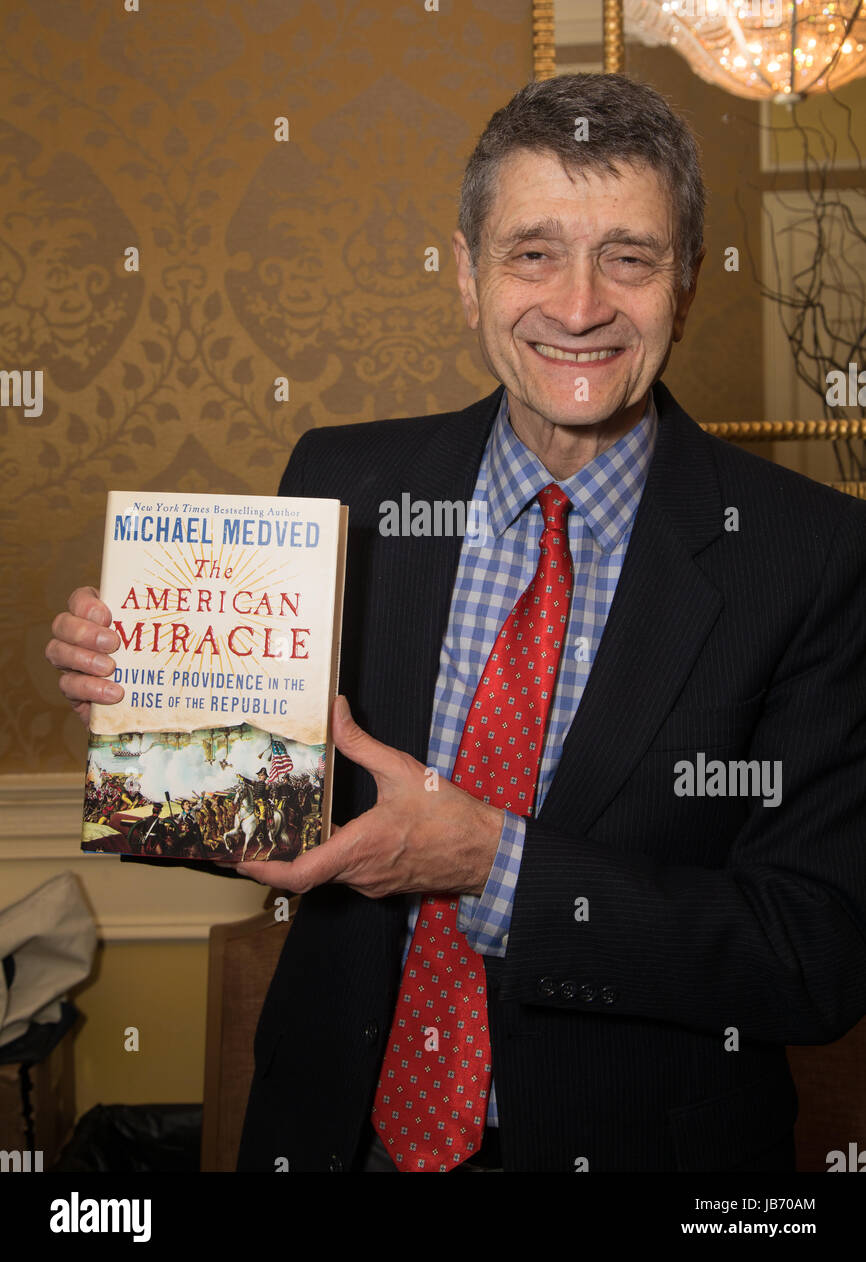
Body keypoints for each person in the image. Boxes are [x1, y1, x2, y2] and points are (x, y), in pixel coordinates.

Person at [45, 74, 866, 1173]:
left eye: (628, 256)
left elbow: (810, 956)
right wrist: (157, 717)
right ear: (466, 274)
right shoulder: (343, 480)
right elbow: (271, 809)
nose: (576, 306)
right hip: (339, 1138)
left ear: (688, 281)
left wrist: (494, 864)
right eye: (531, 252)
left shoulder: (809, 555)